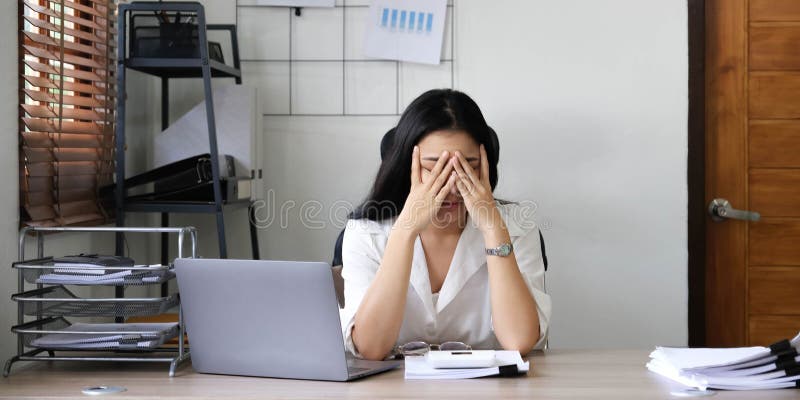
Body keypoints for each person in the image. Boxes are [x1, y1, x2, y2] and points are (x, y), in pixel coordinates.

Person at [340, 89, 551, 361]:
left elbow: (519, 340)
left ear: (487, 165)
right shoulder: (366, 232)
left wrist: (492, 228)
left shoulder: (516, 226)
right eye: (434, 168)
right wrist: (405, 232)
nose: (451, 185)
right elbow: (370, 347)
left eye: (467, 167)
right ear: (406, 166)